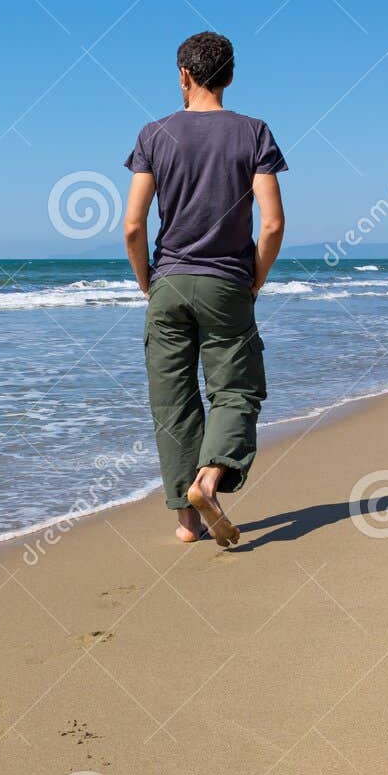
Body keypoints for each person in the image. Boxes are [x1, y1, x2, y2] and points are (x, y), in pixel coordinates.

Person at [123, 31, 286, 546]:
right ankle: (209, 481)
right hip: (227, 285)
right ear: (230, 77)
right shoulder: (254, 132)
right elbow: (274, 223)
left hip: (169, 282)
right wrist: (254, 280)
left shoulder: (154, 134)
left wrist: (148, 282)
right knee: (235, 390)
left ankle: (186, 522)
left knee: (173, 402)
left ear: (184, 76)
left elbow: (133, 224)